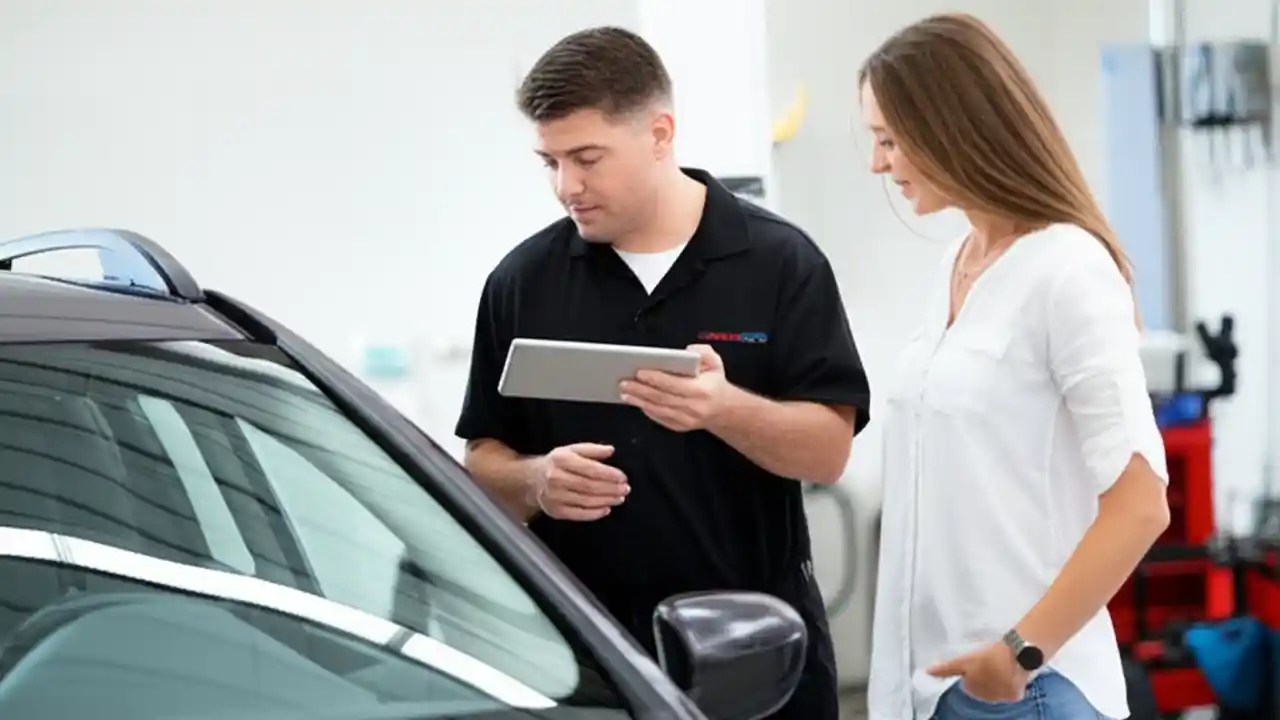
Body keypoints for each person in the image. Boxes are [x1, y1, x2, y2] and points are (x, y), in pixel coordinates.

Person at [455, 25, 871, 719]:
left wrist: (722, 408)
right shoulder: (521, 284)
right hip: (589, 665)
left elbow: (829, 452)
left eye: (587, 158)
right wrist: (535, 481)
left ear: (659, 133)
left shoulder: (779, 264)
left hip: (758, 663)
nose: (566, 186)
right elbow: (481, 460)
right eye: (550, 162)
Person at [857, 13, 1171, 720]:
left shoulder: (1068, 269)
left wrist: (1018, 654)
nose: (878, 164)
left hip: (1024, 689)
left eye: (888, 140)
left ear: (951, 126)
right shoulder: (957, 263)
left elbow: (1141, 501)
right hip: (934, 685)